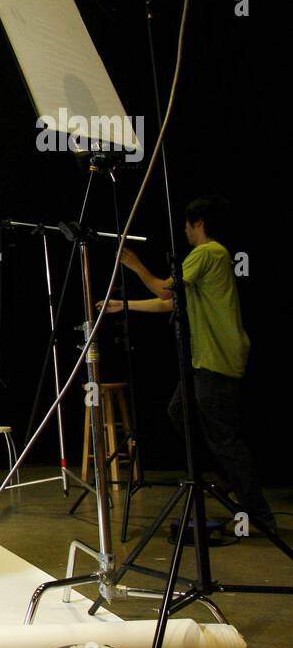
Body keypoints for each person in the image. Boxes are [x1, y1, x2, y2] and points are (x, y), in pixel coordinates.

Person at [104, 196, 275, 535]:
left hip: (218, 357)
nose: (184, 230)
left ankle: (259, 514)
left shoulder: (208, 252)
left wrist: (136, 265)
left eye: (187, 224)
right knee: (180, 410)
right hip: (207, 359)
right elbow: (169, 303)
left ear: (198, 223)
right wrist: (123, 305)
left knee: (226, 439)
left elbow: (165, 291)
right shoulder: (212, 258)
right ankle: (224, 477)